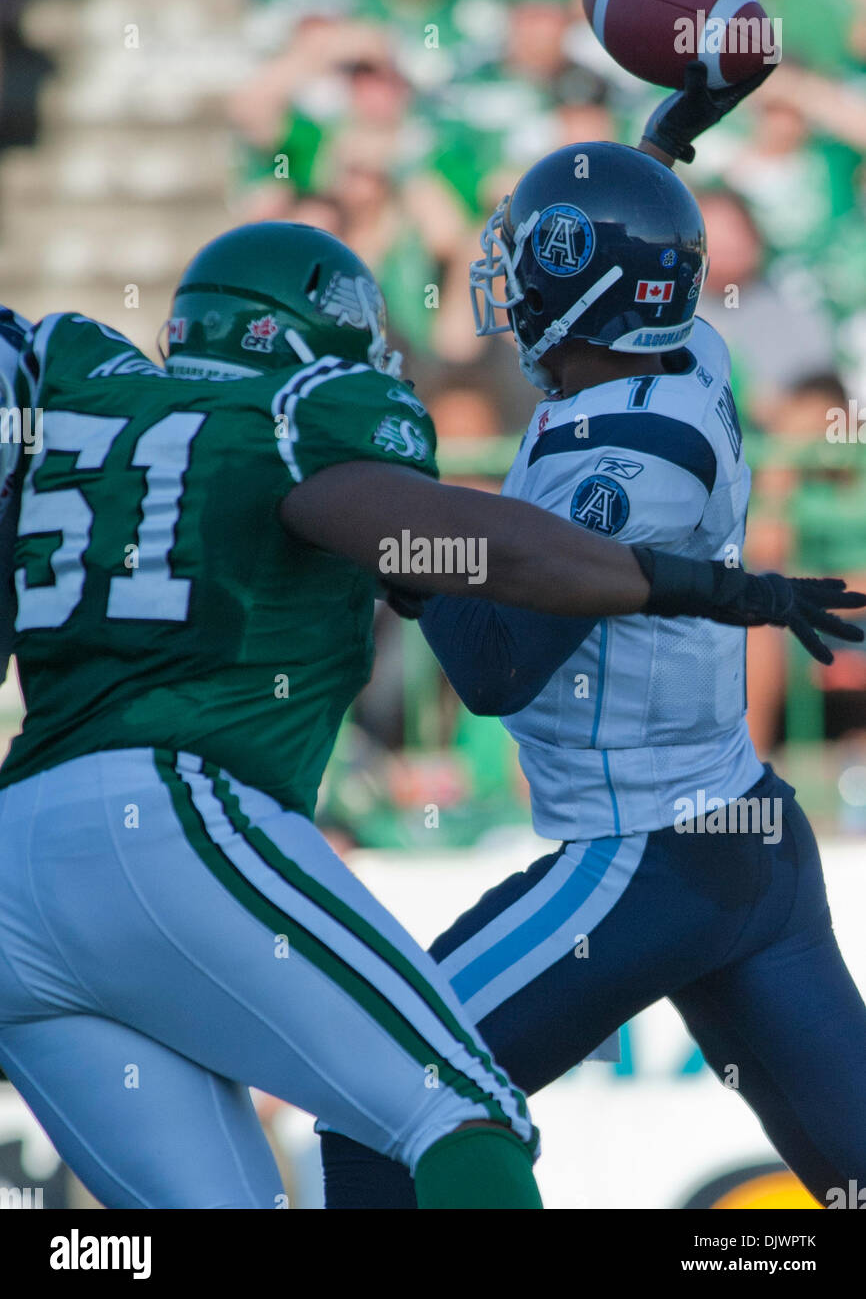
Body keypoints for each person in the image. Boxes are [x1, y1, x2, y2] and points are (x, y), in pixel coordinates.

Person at [1, 218, 850, 1209]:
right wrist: (699, 585)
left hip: (19, 857)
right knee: (441, 1117)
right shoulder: (304, 413)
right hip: (173, 808)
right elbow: (478, 586)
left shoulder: (68, 376)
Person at [319, 86, 866, 1209]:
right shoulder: (684, 348)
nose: (507, 286)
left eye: (529, 264)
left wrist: (410, 541)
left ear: (585, 295)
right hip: (744, 838)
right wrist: (652, 155)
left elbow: (493, 667)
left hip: (644, 857)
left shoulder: (616, 474)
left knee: (383, 1103)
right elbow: (632, 280)